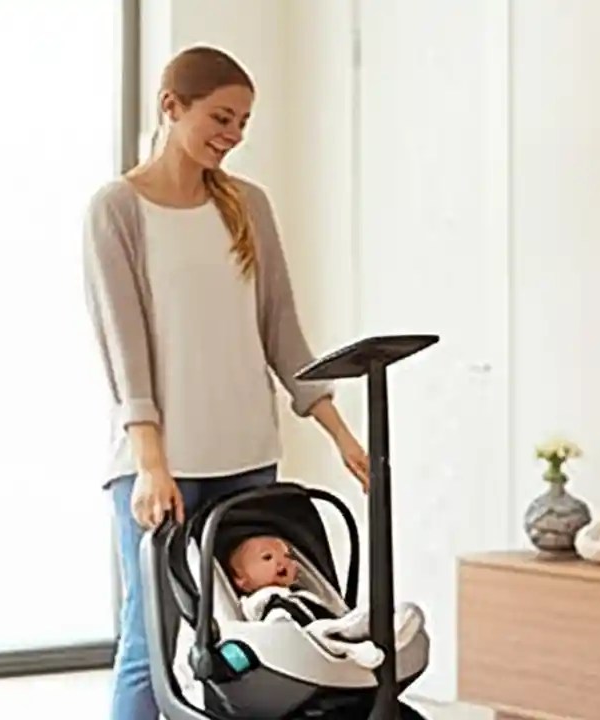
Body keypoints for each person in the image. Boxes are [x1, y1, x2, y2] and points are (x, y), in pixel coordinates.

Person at [82, 45, 369, 720]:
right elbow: (124, 348)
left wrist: (340, 433)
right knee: (150, 641)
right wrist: (152, 463)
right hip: (164, 469)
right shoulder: (117, 209)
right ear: (171, 106)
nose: (233, 134)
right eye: (220, 117)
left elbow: (281, 330)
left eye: (242, 122)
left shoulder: (247, 205)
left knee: (250, 642)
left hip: (248, 460)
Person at [224, 534, 425, 670]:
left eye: (287, 556)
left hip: (326, 628)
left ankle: (380, 632)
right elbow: (269, 630)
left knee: (404, 613)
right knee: (319, 631)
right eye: (267, 557)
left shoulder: (302, 595)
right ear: (242, 580)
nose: (282, 562)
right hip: (297, 643)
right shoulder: (257, 602)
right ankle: (351, 644)